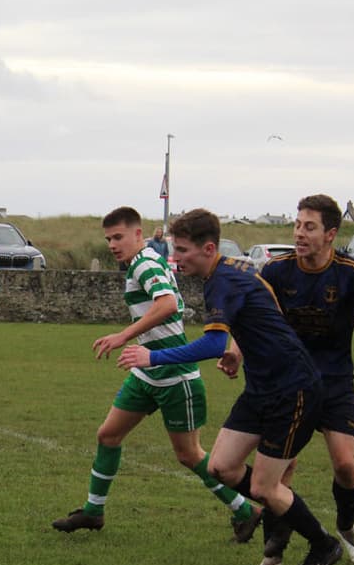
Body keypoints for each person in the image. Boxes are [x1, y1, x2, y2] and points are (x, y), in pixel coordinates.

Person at [117, 208, 342, 565]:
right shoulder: (229, 272)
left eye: (183, 250)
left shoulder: (223, 281)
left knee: (265, 487)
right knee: (221, 467)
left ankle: (323, 544)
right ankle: (279, 515)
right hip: (260, 388)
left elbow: (211, 344)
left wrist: (152, 356)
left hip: (293, 389)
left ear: (208, 248)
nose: (175, 258)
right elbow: (261, 313)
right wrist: (238, 351)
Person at [52, 207, 260, 540]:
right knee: (108, 435)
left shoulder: (145, 263)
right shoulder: (142, 261)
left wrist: (123, 336)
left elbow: (167, 305)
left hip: (175, 376)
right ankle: (93, 511)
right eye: (108, 239)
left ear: (138, 234)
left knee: (189, 455)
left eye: (118, 237)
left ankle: (247, 511)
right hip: (147, 374)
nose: (112, 245)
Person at [239, 194, 354, 565]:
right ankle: (273, 555)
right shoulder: (276, 271)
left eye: (309, 227)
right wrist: (235, 350)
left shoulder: (350, 272)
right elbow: (251, 319)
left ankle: (346, 527)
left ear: (330, 234)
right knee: (281, 469)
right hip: (289, 383)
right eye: (297, 225)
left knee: (345, 466)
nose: (299, 233)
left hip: (334, 383)